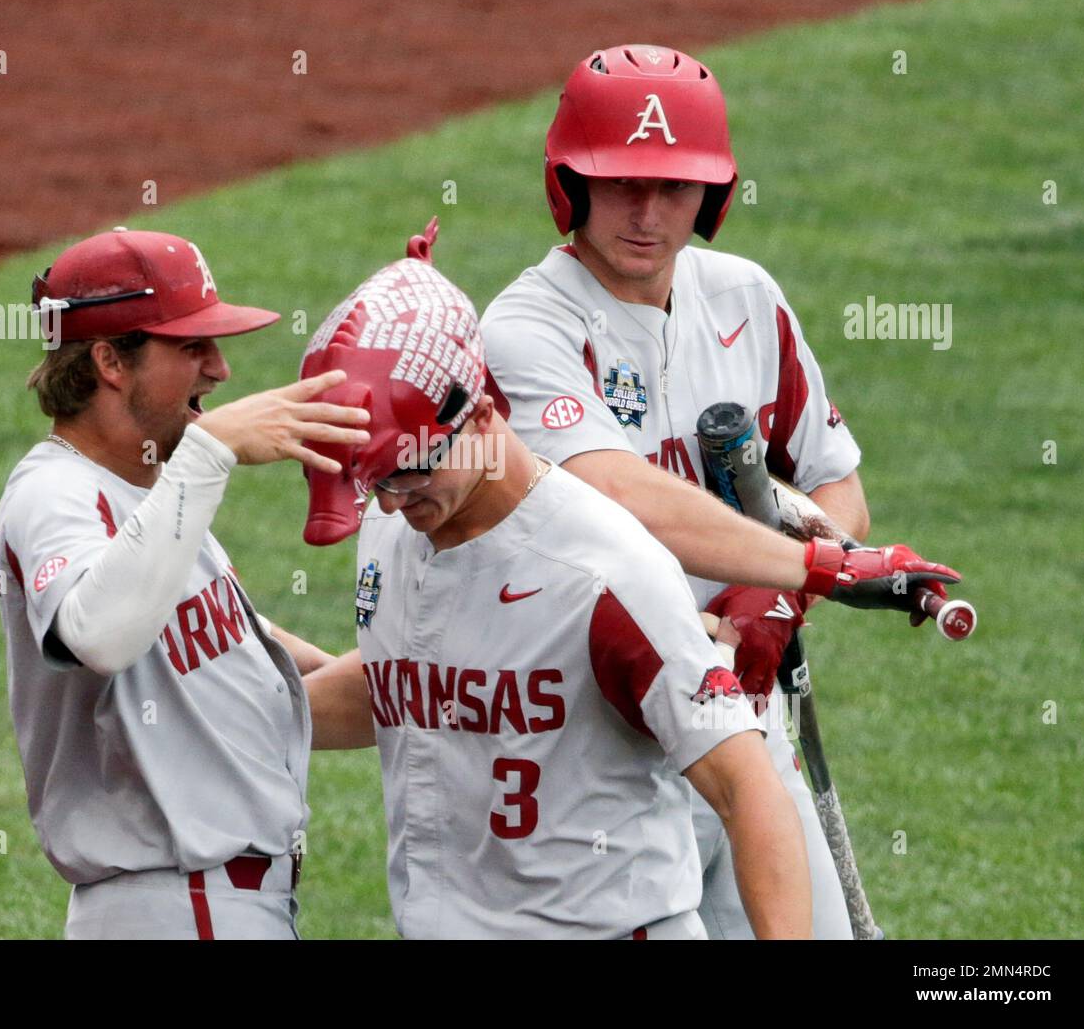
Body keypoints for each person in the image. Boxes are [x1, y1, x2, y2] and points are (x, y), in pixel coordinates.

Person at [475, 45, 962, 938]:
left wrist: (774, 599)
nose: (648, 211)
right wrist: (819, 569)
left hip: (744, 718)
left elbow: (832, 481)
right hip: (600, 748)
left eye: (675, 184)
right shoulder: (526, 328)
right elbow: (612, 494)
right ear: (568, 184)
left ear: (716, 194)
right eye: (620, 182)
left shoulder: (746, 296)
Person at [298, 222, 813, 939]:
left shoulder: (602, 569)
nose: (388, 502)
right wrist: (228, 699)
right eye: (371, 481)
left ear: (481, 413)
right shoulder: (399, 523)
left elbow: (743, 782)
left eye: (406, 473)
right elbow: (407, 685)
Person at [0, 227, 370, 939]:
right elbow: (96, 635)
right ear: (108, 360)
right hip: (175, 905)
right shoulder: (55, 494)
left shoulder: (154, 497)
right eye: (191, 347)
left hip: (214, 908)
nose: (221, 370)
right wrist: (211, 452)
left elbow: (280, 689)